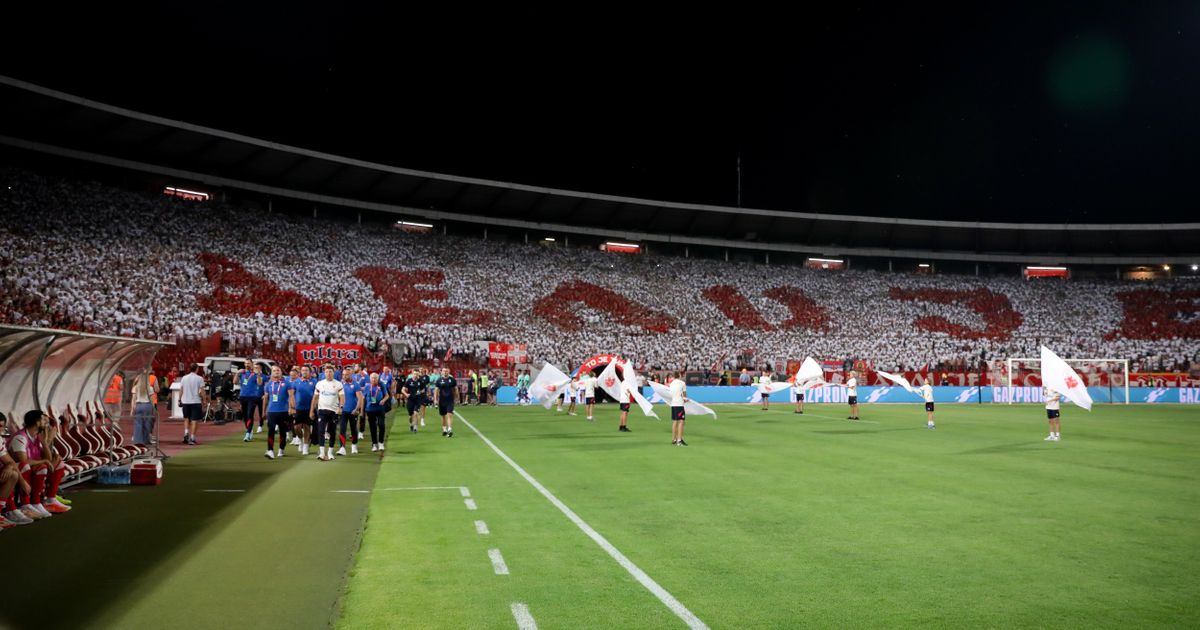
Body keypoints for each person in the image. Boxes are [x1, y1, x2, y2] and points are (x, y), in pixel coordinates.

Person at [7, 410, 57, 519]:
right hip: (14, 469)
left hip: (26, 469)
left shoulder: (37, 436)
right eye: (43, 420)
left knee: (56, 462)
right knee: (29, 465)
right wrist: (44, 461)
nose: (46, 423)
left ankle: (41, 501)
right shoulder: (20, 437)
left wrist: (45, 442)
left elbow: (48, 459)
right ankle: (25, 505)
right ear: (37, 422)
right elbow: (23, 461)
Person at [311, 365, 344, 461]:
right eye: (327, 372)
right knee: (320, 431)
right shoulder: (319, 384)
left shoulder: (338, 384)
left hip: (334, 411)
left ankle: (330, 452)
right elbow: (315, 398)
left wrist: (340, 407)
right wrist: (311, 410)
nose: (328, 373)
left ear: (334, 373)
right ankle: (322, 453)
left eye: (330, 372)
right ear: (324, 373)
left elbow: (342, 397)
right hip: (322, 410)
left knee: (332, 432)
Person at [261, 366, 293, 459]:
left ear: (281, 372)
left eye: (278, 370)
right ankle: (270, 450)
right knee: (271, 431)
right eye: (274, 371)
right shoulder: (268, 384)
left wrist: (291, 408)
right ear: (271, 373)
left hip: (284, 411)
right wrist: (263, 411)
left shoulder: (287, 383)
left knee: (282, 431)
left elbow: (291, 396)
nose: (276, 372)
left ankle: (281, 449)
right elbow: (265, 398)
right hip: (271, 411)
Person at [290, 366, 317, 455]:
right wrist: (291, 407)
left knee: (307, 427)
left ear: (310, 372)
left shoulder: (314, 381)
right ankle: (301, 440)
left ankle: (305, 446)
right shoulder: (296, 381)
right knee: (296, 428)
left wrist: (314, 408)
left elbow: (317, 395)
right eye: (303, 370)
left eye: (306, 370)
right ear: (300, 372)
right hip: (298, 408)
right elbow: (291, 395)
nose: (304, 371)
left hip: (309, 408)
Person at [338, 370, 364, 455]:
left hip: (353, 411)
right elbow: (337, 397)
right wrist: (338, 408)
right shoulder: (340, 384)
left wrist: (356, 409)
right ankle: (342, 448)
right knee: (342, 429)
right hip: (343, 411)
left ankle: (354, 445)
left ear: (350, 375)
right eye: (343, 375)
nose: (344, 376)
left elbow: (360, 398)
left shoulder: (356, 384)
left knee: (353, 429)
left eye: (346, 375)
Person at [363, 372, 390, 451]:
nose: (374, 379)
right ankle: (374, 444)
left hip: (380, 408)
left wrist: (383, 400)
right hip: (370, 409)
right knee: (372, 427)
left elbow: (387, 395)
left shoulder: (381, 385)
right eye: (372, 378)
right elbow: (363, 398)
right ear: (370, 379)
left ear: (378, 379)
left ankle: (381, 442)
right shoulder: (367, 386)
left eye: (375, 378)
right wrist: (362, 410)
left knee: (381, 425)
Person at [179, 365, 205, 445]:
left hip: (185, 401)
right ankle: (192, 437)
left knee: (186, 418)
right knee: (194, 420)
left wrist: (179, 399)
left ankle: (186, 433)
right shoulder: (200, 378)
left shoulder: (184, 378)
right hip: (195, 401)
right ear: (197, 369)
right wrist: (204, 400)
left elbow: (181, 389)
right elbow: (202, 390)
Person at [129, 370, 156, 445]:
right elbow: (152, 400)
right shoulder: (150, 388)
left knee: (138, 424)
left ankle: (138, 441)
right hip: (147, 406)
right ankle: (146, 440)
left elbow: (133, 399)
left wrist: (132, 409)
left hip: (139, 405)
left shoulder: (135, 387)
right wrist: (153, 409)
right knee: (147, 424)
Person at [239, 361, 263, 441]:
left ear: (252, 364)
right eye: (245, 363)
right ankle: (249, 429)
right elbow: (234, 382)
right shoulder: (242, 373)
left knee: (250, 414)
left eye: (248, 363)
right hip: (243, 396)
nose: (247, 365)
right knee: (245, 416)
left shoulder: (255, 373)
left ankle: (248, 433)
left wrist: (258, 374)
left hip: (252, 397)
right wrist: (237, 373)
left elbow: (260, 383)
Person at [434, 367, 457, 437]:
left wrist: (457, 398)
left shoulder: (452, 380)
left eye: (446, 371)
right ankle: (444, 429)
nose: (445, 372)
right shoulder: (439, 380)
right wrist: (435, 400)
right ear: (441, 372)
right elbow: (436, 391)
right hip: (442, 400)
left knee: (449, 414)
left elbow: (455, 389)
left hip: (450, 400)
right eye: (444, 371)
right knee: (443, 416)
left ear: (448, 372)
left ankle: (449, 429)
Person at [669, 372, 688, 446]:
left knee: (674, 421)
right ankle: (679, 440)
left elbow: (671, 394)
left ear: (674, 376)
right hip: (679, 404)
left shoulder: (671, 383)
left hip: (673, 404)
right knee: (681, 422)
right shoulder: (682, 383)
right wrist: (685, 400)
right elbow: (684, 395)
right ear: (679, 375)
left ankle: (674, 439)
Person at [402, 368, 423, 433]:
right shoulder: (409, 381)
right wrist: (406, 394)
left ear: (418, 374)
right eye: (414, 374)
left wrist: (420, 392)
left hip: (418, 400)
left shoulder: (420, 381)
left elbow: (423, 389)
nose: (415, 375)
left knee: (416, 413)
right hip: (410, 400)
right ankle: (411, 424)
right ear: (412, 374)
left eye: (417, 374)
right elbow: (402, 390)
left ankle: (415, 427)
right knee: (410, 416)